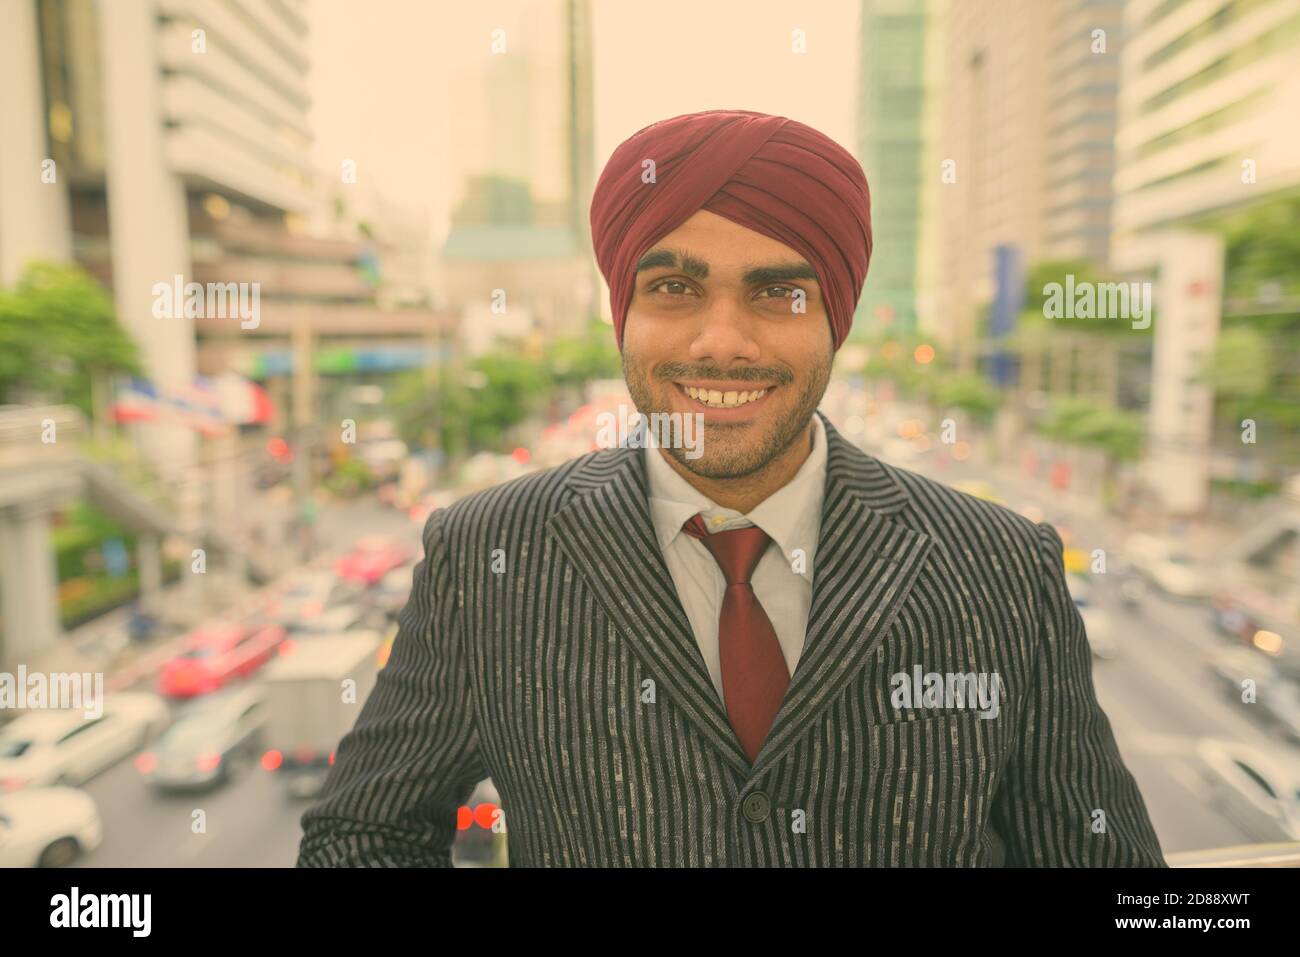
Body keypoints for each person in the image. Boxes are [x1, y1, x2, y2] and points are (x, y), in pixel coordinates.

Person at [297, 109, 1165, 867]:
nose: (722, 342)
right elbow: (359, 838)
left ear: (837, 318)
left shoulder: (1000, 568)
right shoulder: (488, 557)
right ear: (621, 314)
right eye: (674, 287)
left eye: (779, 292)